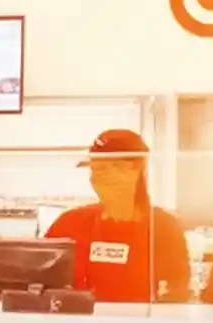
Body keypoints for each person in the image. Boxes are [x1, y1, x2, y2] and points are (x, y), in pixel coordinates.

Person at [45, 129, 190, 303]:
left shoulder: (164, 227)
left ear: (137, 172)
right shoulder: (69, 223)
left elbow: (176, 295)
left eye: (108, 168)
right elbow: (39, 282)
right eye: (95, 168)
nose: (97, 177)